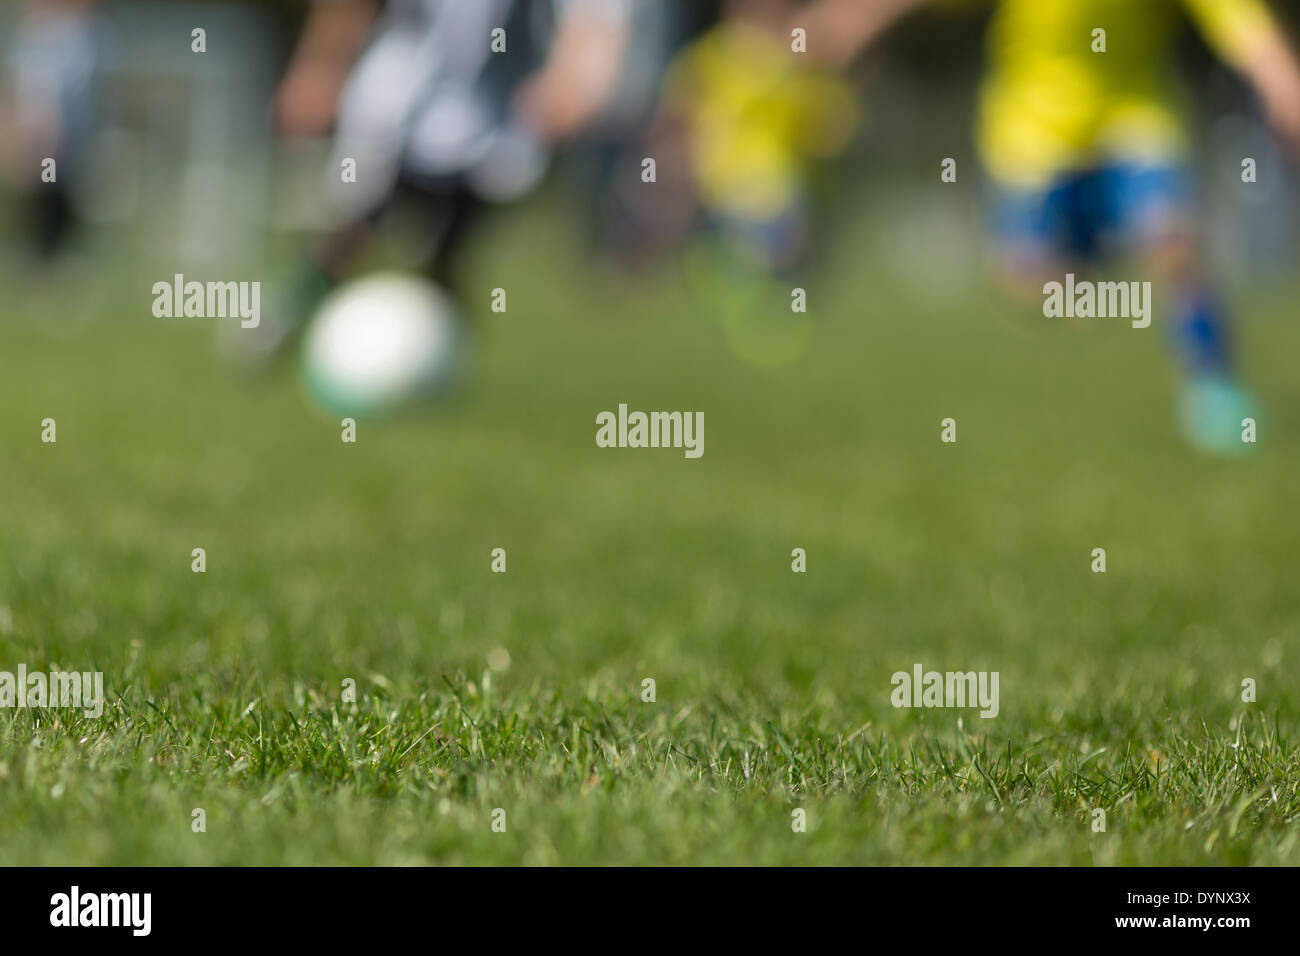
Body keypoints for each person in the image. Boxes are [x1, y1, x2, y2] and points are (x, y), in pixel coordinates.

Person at [800, 0, 1300, 454]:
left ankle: (1213, 390)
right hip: (1031, 140)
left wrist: (1281, 82)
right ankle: (1090, 274)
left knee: (1174, 244)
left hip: (1132, 118)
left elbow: (1240, 20)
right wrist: (844, 24)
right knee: (1028, 281)